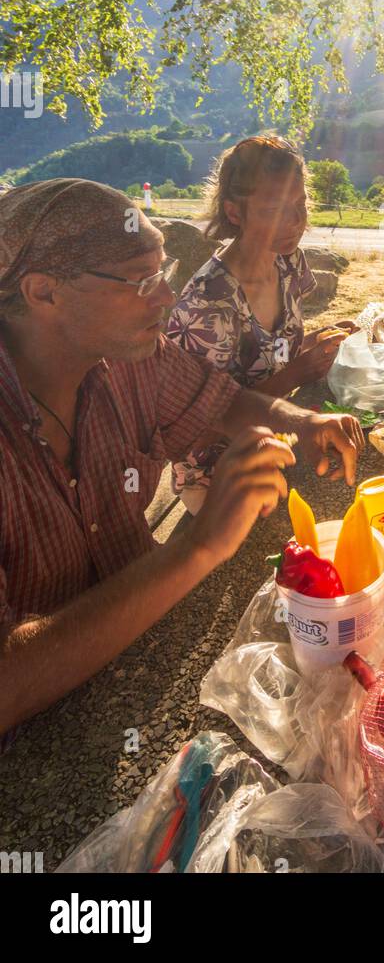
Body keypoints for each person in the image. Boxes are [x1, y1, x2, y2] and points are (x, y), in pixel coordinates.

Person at [0, 178, 364, 744]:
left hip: (135, 676)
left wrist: (305, 424)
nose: (167, 297)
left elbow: (222, 400)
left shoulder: (130, 356)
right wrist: (198, 547)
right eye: (142, 281)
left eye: (163, 274)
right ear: (44, 291)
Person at [166, 135, 357, 513]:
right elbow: (194, 431)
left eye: (300, 204)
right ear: (234, 213)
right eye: (275, 210)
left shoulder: (288, 263)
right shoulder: (208, 306)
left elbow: (272, 351)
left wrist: (319, 342)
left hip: (281, 433)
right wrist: (297, 373)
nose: (297, 221)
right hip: (217, 472)